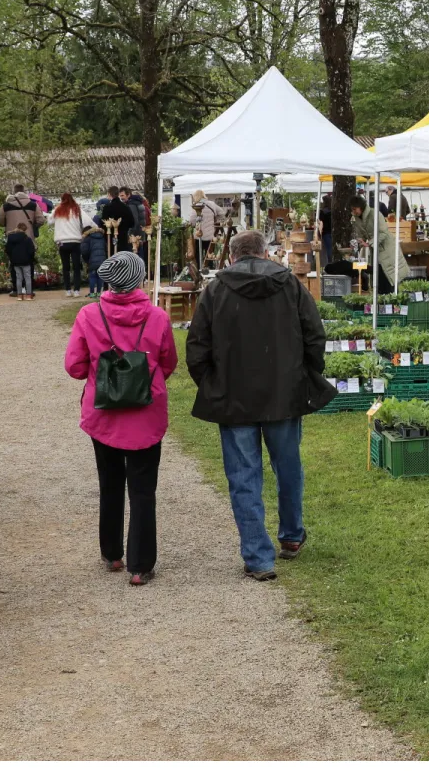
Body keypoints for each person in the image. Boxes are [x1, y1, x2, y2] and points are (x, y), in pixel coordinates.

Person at [185, 230, 332, 581]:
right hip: (281, 392)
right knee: (288, 466)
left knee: (244, 477)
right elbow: (315, 334)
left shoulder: (216, 290)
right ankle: (290, 536)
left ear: (232, 257)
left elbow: (196, 348)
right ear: (265, 253)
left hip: (236, 396)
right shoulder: (289, 284)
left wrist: (213, 384)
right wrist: (305, 373)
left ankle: (259, 555)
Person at [65, 252, 177, 586]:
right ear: (140, 279)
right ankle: (140, 565)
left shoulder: (89, 314)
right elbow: (168, 362)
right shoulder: (157, 317)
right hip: (146, 412)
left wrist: (100, 373)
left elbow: (74, 367)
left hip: (104, 412)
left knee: (109, 483)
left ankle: (112, 552)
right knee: (143, 489)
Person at [349, 195, 400, 294]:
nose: (353, 211)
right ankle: (381, 299)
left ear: (361, 206)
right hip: (375, 250)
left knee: (387, 277)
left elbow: (384, 233)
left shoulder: (375, 214)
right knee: (378, 275)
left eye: (355, 209)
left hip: (386, 248)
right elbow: (361, 235)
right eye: (352, 209)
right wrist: (359, 243)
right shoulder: (357, 218)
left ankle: (390, 300)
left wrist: (369, 243)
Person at [51, 193, 84, 297]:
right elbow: (87, 222)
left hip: (62, 242)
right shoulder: (77, 209)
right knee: (76, 266)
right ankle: (77, 290)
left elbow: (49, 221)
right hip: (75, 241)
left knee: (66, 267)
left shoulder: (57, 210)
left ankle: (68, 290)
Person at [188, 190, 225, 268]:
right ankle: (210, 271)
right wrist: (216, 221)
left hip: (199, 235)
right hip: (210, 235)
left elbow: (191, 221)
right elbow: (222, 213)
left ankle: (199, 271)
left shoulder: (196, 206)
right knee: (209, 255)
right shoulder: (212, 204)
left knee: (198, 256)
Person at [6, 223, 37, 301]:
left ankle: (19, 295)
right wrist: (31, 259)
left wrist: (12, 259)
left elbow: (7, 250)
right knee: (28, 277)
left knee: (18, 278)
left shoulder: (10, 238)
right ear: (25, 230)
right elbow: (31, 251)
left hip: (15, 262)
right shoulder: (27, 239)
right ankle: (29, 295)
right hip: (26, 261)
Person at [80, 222, 108, 298]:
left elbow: (84, 251)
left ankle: (92, 294)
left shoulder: (87, 238)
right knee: (100, 277)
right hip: (102, 260)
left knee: (92, 277)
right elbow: (106, 249)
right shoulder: (102, 237)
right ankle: (98, 294)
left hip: (92, 260)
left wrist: (87, 260)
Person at [317, 193, 333, 265]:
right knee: (330, 248)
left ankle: (330, 263)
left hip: (326, 232)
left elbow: (320, 222)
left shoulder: (323, 212)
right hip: (331, 231)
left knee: (328, 249)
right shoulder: (332, 211)